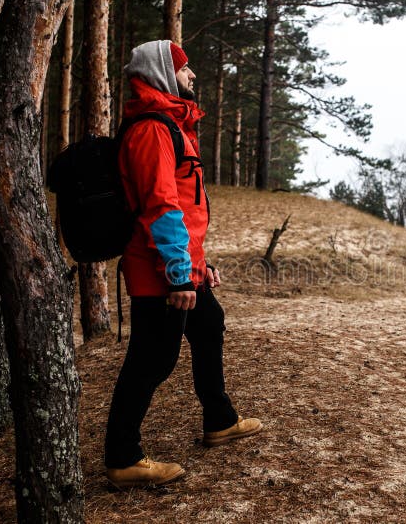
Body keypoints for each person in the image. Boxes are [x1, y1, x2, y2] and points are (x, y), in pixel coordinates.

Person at [104, 40, 262, 490]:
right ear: (162, 73)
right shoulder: (151, 130)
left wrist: (200, 264)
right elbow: (161, 207)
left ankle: (220, 419)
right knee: (152, 360)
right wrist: (179, 273)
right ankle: (122, 457)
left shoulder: (172, 126)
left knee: (209, 323)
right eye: (184, 68)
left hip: (181, 263)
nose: (192, 75)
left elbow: (186, 208)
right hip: (158, 269)